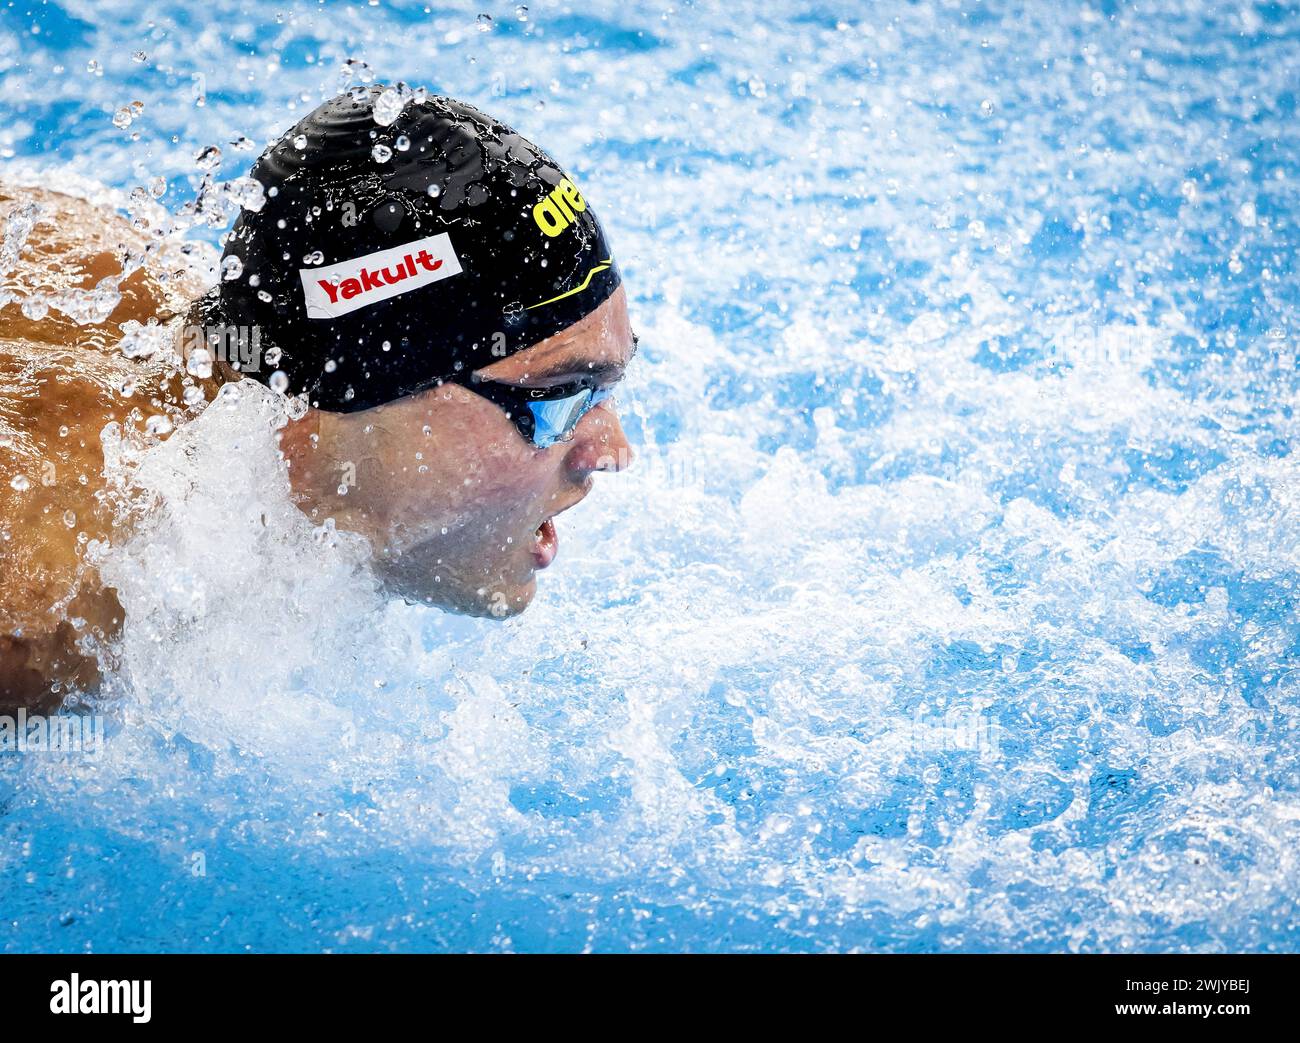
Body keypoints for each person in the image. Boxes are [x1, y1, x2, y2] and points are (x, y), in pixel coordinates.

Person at [0, 86, 636, 711]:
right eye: (558, 398)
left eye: (607, 389)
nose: (613, 452)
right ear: (325, 411)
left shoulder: (241, 336)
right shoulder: (43, 616)